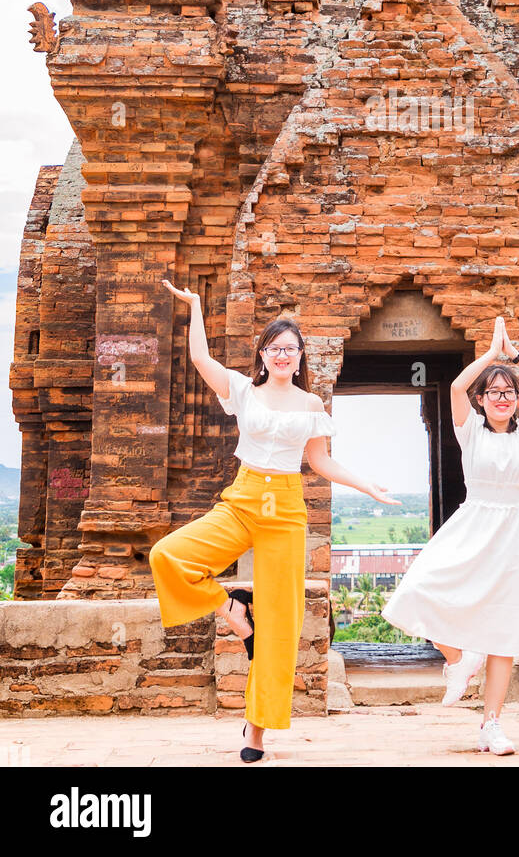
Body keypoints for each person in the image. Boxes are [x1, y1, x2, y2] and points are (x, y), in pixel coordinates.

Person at [150, 280, 397, 763]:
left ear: (300, 356)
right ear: (263, 354)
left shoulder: (311, 406)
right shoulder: (243, 389)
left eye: (291, 349)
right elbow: (201, 360)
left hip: (285, 510)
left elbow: (321, 462)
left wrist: (366, 485)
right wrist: (197, 305)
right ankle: (231, 606)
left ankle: (256, 732)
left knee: (282, 624)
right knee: (168, 556)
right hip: (242, 498)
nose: (283, 355)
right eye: (275, 348)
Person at [382, 316, 519, 755]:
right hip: (473, 521)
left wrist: (514, 356)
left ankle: (492, 724)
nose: (502, 398)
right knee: (417, 589)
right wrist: (490, 355)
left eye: (508, 392)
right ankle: (460, 660)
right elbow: (457, 389)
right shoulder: (471, 430)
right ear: (483, 400)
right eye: (494, 392)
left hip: (511, 531)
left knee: (503, 629)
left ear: (517, 400)